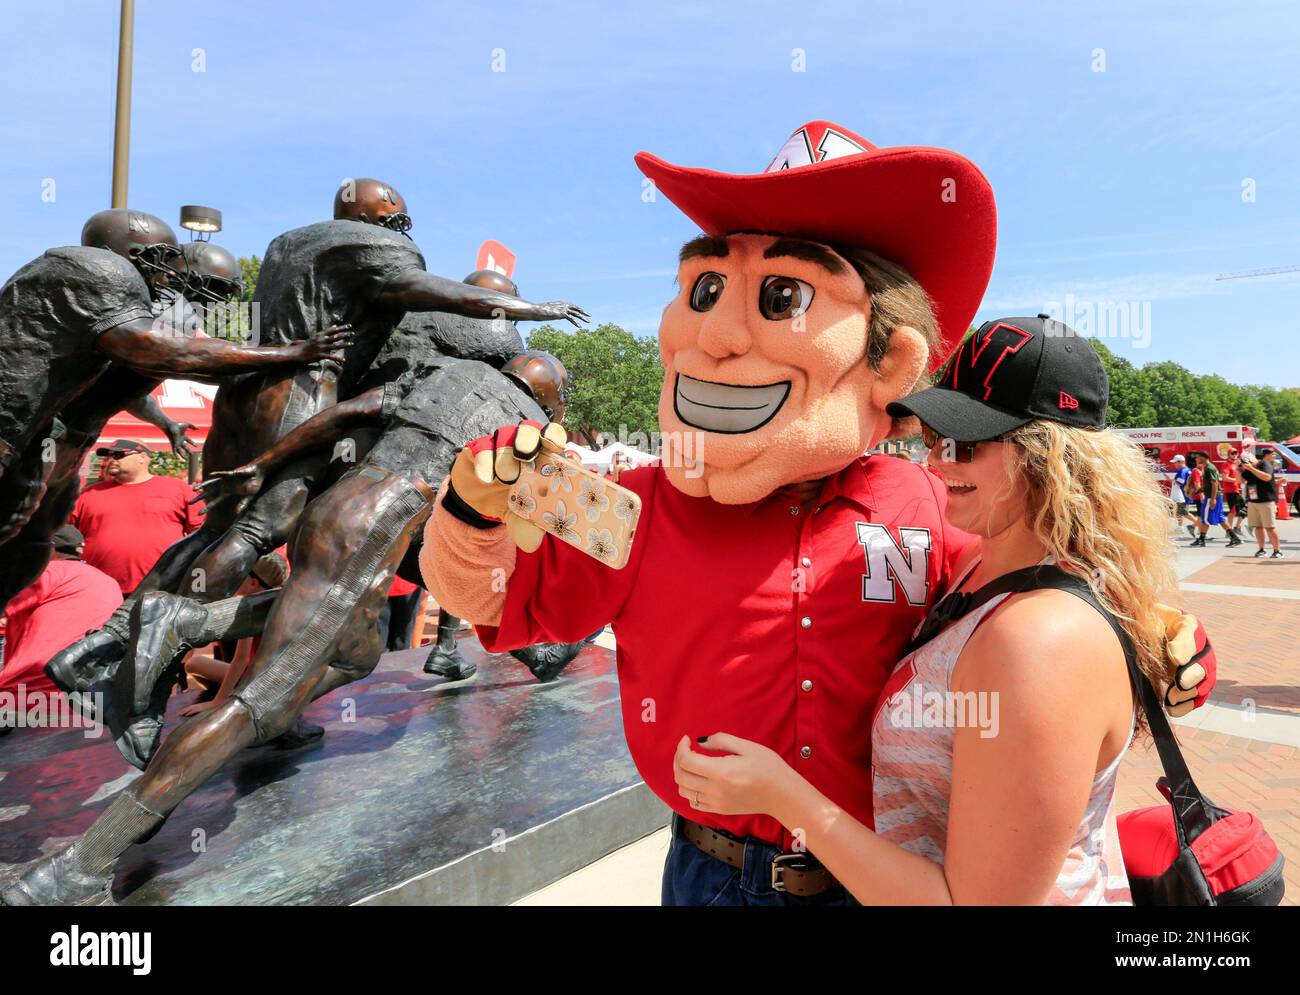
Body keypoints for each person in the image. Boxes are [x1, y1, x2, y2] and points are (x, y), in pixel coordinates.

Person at [412, 123, 1213, 906]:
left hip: (879, 874)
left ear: (889, 362)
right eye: (705, 290)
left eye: (783, 296)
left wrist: (1155, 639)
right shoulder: (637, 497)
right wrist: (466, 508)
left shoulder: (925, 498)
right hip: (714, 872)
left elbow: (1036, 603)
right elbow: (487, 594)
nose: (721, 337)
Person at [671, 316, 1174, 904]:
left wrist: (783, 795)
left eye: (965, 443)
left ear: (1051, 458)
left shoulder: (1038, 638)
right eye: (934, 437)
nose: (938, 461)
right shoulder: (982, 567)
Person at [0, 525, 122, 720]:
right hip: (92, 702)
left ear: (48, 550)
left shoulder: (48, 573)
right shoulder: (108, 582)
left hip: (26, 698)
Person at [69, 441, 205, 596]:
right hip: (102, 589)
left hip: (162, 587)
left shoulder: (177, 489)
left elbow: (201, 533)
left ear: (142, 458)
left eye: (119, 455)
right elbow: (64, 532)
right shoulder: (89, 493)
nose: (112, 459)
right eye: (109, 456)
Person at [1242, 450, 1282, 558]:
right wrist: (1238, 468)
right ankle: (1261, 549)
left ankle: (1277, 551)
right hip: (1253, 500)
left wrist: (1251, 468)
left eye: (1249, 459)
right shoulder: (1249, 468)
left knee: (1270, 527)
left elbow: (1267, 477)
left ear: (1253, 458)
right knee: (1258, 527)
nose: (1248, 461)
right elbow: (1239, 480)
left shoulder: (1264, 464)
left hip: (1266, 500)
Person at [1190, 451, 1228, 547]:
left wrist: (1212, 499)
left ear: (1203, 457)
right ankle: (1234, 538)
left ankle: (1201, 540)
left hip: (1212, 496)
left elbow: (1215, 484)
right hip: (1213, 495)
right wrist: (1200, 490)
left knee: (1205, 518)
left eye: (1198, 457)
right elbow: (1209, 484)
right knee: (1219, 518)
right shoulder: (1207, 467)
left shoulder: (1210, 468)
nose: (1196, 459)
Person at [1221, 449, 1245, 541]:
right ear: (1228, 454)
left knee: (1245, 508)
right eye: (1232, 453)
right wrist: (1236, 480)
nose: (1234, 455)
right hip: (1230, 490)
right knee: (1233, 511)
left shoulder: (1236, 465)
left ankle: (1237, 527)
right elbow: (1224, 478)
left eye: (1236, 453)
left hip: (1236, 490)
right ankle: (1229, 530)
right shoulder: (1226, 464)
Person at [1169, 454, 1195, 537]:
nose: (1174, 464)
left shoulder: (1182, 471)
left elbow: (1180, 482)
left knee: (1184, 512)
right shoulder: (1187, 469)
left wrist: (1170, 480)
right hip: (1186, 494)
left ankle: (1198, 523)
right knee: (1180, 511)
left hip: (1183, 495)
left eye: (1175, 462)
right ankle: (1180, 528)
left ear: (1180, 462)